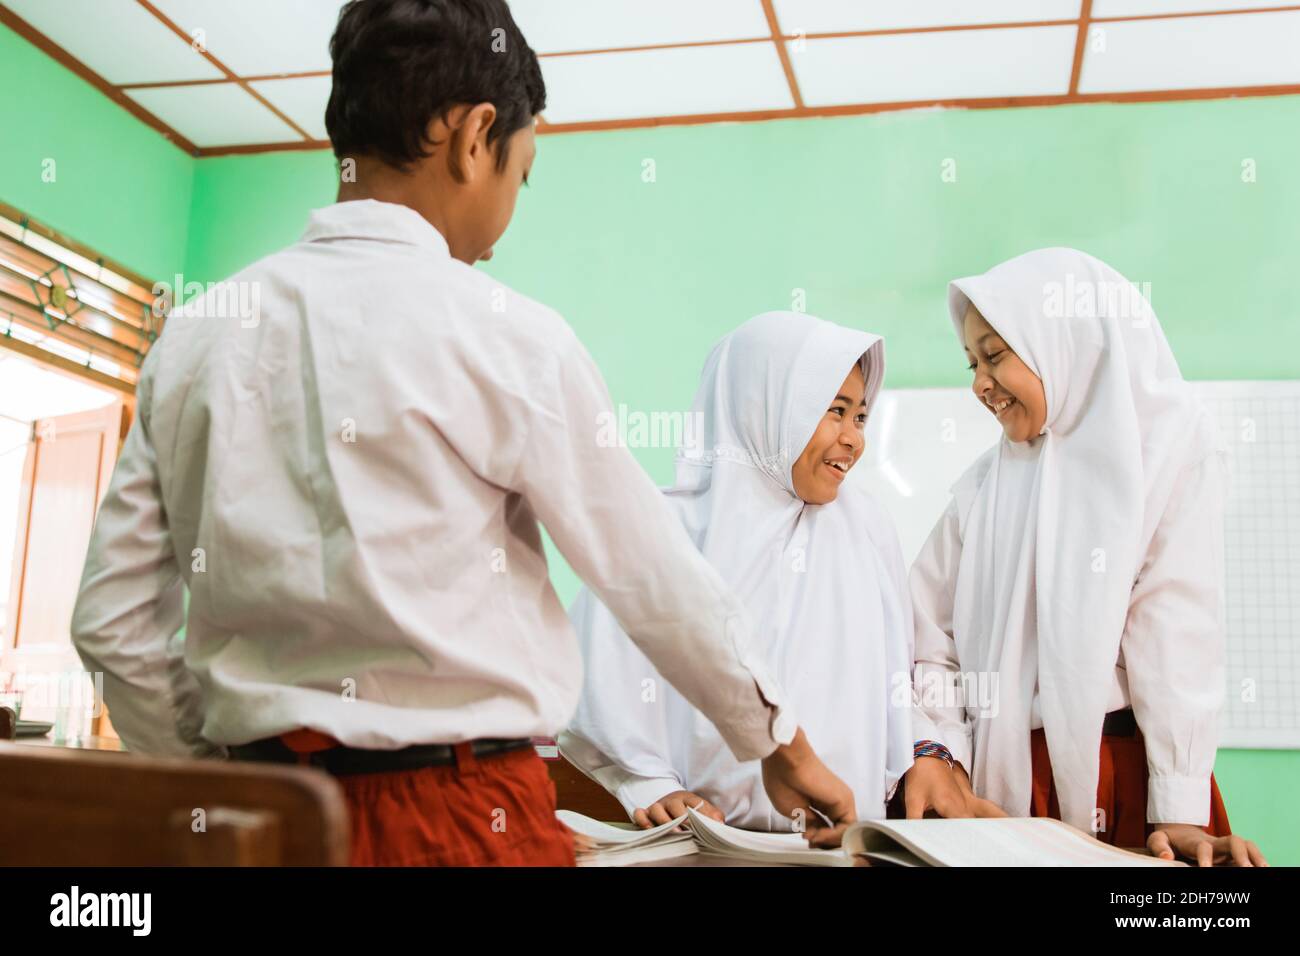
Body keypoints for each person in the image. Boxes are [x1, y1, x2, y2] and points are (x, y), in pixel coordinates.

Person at [70, 0, 853, 867]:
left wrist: (215, 779)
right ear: (475, 136)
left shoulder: (197, 333)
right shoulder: (508, 335)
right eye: (522, 172)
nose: (512, 204)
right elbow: (651, 573)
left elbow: (111, 625)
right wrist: (783, 746)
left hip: (254, 822)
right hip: (460, 820)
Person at [905, 247, 1266, 866]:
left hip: (1127, 775)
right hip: (1003, 780)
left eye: (994, 355)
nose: (979, 383)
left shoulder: (1168, 451)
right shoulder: (984, 486)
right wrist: (942, 751)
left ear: (1064, 342)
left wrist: (1178, 807)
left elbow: (1175, 627)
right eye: (971, 362)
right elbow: (925, 635)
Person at [563, 312, 916, 832]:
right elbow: (592, 679)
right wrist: (648, 783)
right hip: (704, 845)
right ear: (763, 406)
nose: (853, 439)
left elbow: (900, 679)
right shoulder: (672, 529)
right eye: (833, 411)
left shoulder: (866, 529)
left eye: (860, 417)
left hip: (838, 846)